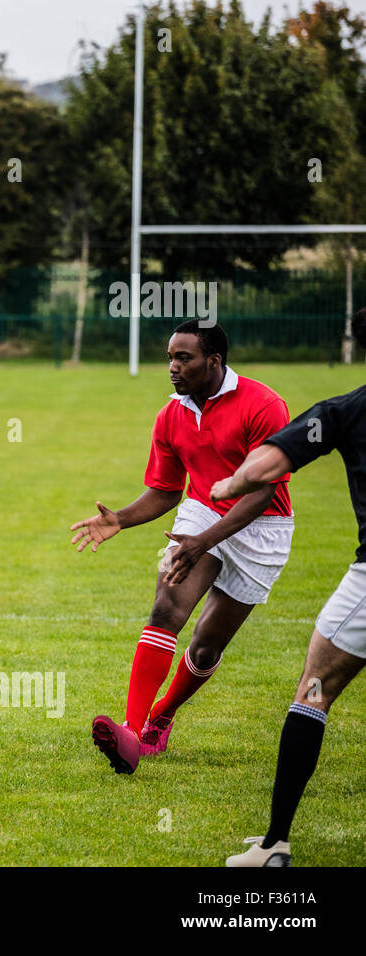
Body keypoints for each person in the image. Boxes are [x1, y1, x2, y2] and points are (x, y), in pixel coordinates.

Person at [70, 320, 294, 774]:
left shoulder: (264, 404)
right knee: (167, 610)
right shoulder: (170, 414)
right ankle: (132, 733)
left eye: (184, 358)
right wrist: (122, 519)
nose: (173, 367)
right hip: (202, 510)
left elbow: (262, 493)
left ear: (214, 361)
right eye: (170, 357)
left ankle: (164, 715)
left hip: (263, 529)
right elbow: (167, 489)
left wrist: (203, 543)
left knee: (207, 646)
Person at [216, 309, 366, 866]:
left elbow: (264, 468)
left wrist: (229, 481)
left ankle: (274, 845)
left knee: (314, 689)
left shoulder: (345, 410)